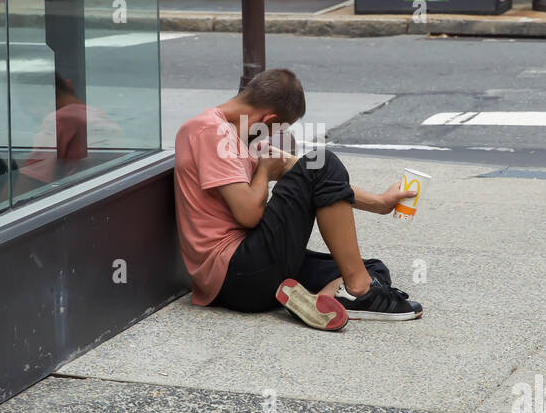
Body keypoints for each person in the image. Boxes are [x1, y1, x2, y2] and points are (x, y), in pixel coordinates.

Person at [173, 68, 423, 331]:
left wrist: (380, 203)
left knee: (372, 268)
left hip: (257, 268)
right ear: (268, 119)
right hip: (236, 275)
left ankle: (323, 302)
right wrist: (265, 170)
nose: (271, 136)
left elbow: (324, 181)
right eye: (278, 129)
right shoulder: (210, 132)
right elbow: (248, 214)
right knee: (324, 162)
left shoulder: (242, 136)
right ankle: (357, 291)